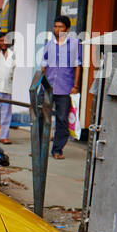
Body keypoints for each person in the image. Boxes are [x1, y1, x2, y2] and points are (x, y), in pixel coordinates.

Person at [40, 15, 81, 159]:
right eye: (55, 26)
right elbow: (43, 66)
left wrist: (75, 86)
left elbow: (77, 66)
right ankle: (39, 148)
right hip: (48, 87)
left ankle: (57, 150)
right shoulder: (49, 44)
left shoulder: (75, 44)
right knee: (42, 117)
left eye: (60, 27)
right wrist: (40, 85)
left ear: (67, 29)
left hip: (65, 88)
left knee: (62, 119)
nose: (57, 29)